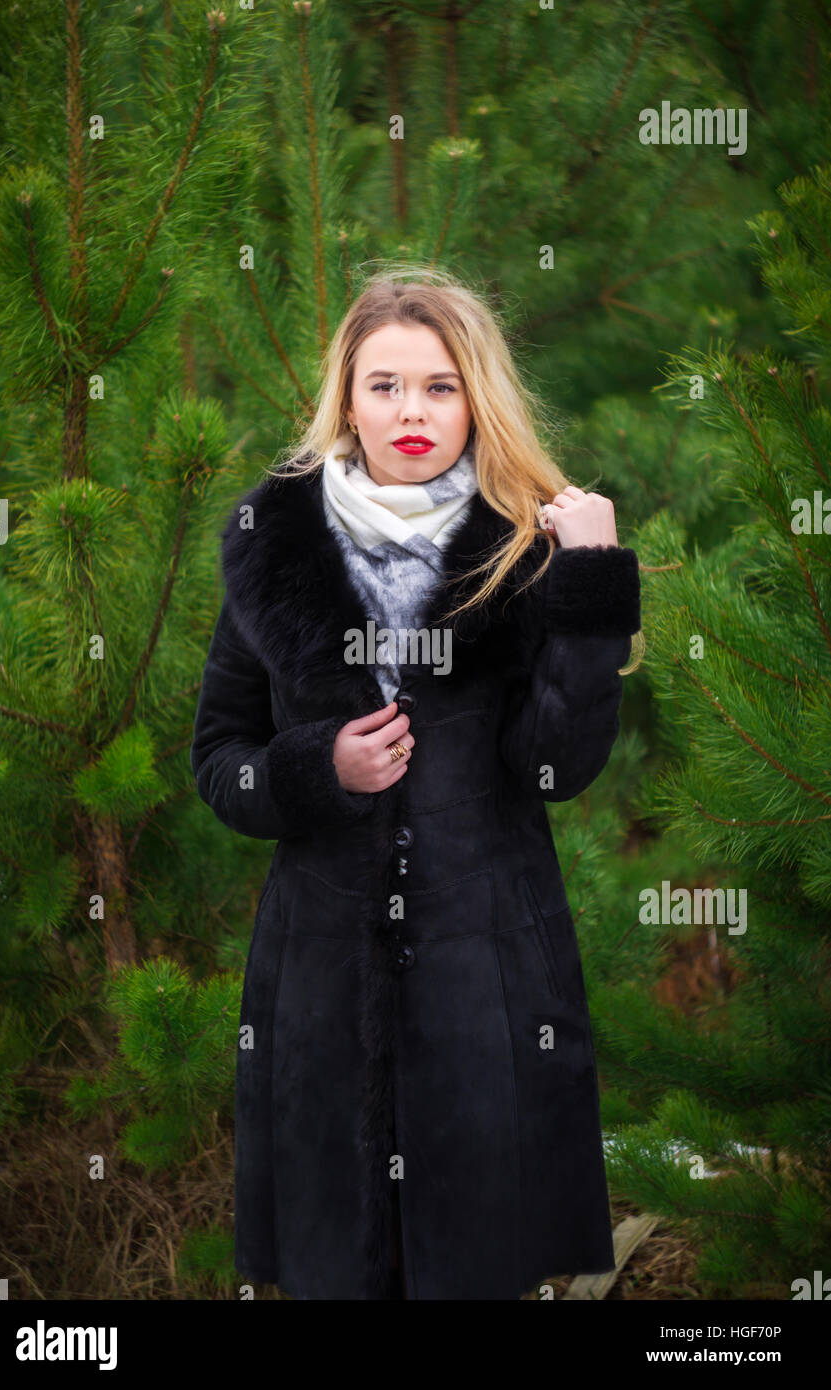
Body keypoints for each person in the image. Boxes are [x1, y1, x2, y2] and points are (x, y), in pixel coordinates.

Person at [190, 267, 642, 1301]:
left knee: (473, 1262)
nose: (410, 412)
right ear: (344, 396)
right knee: (333, 1265)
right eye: (384, 384)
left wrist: (590, 582)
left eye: (440, 387)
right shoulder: (272, 549)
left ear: (477, 398)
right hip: (316, 985)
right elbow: (221, 761)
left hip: (482, 979)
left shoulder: (530, 546)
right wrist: (316, 769)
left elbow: (559, 767)